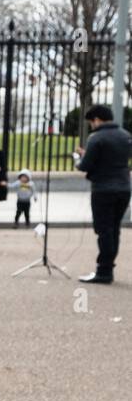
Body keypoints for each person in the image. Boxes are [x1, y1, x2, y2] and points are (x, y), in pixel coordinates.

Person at [74, 104, 131, 283]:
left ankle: (104, 271)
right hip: (124, 187)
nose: (92, 125)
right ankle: (108, 267)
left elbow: (85, 166)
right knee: (114, 229)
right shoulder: (126, 135)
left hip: (103, 189)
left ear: (97, 119)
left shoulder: (96, 137)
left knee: (104, 230)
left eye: (92, 122)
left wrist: (78, 158)